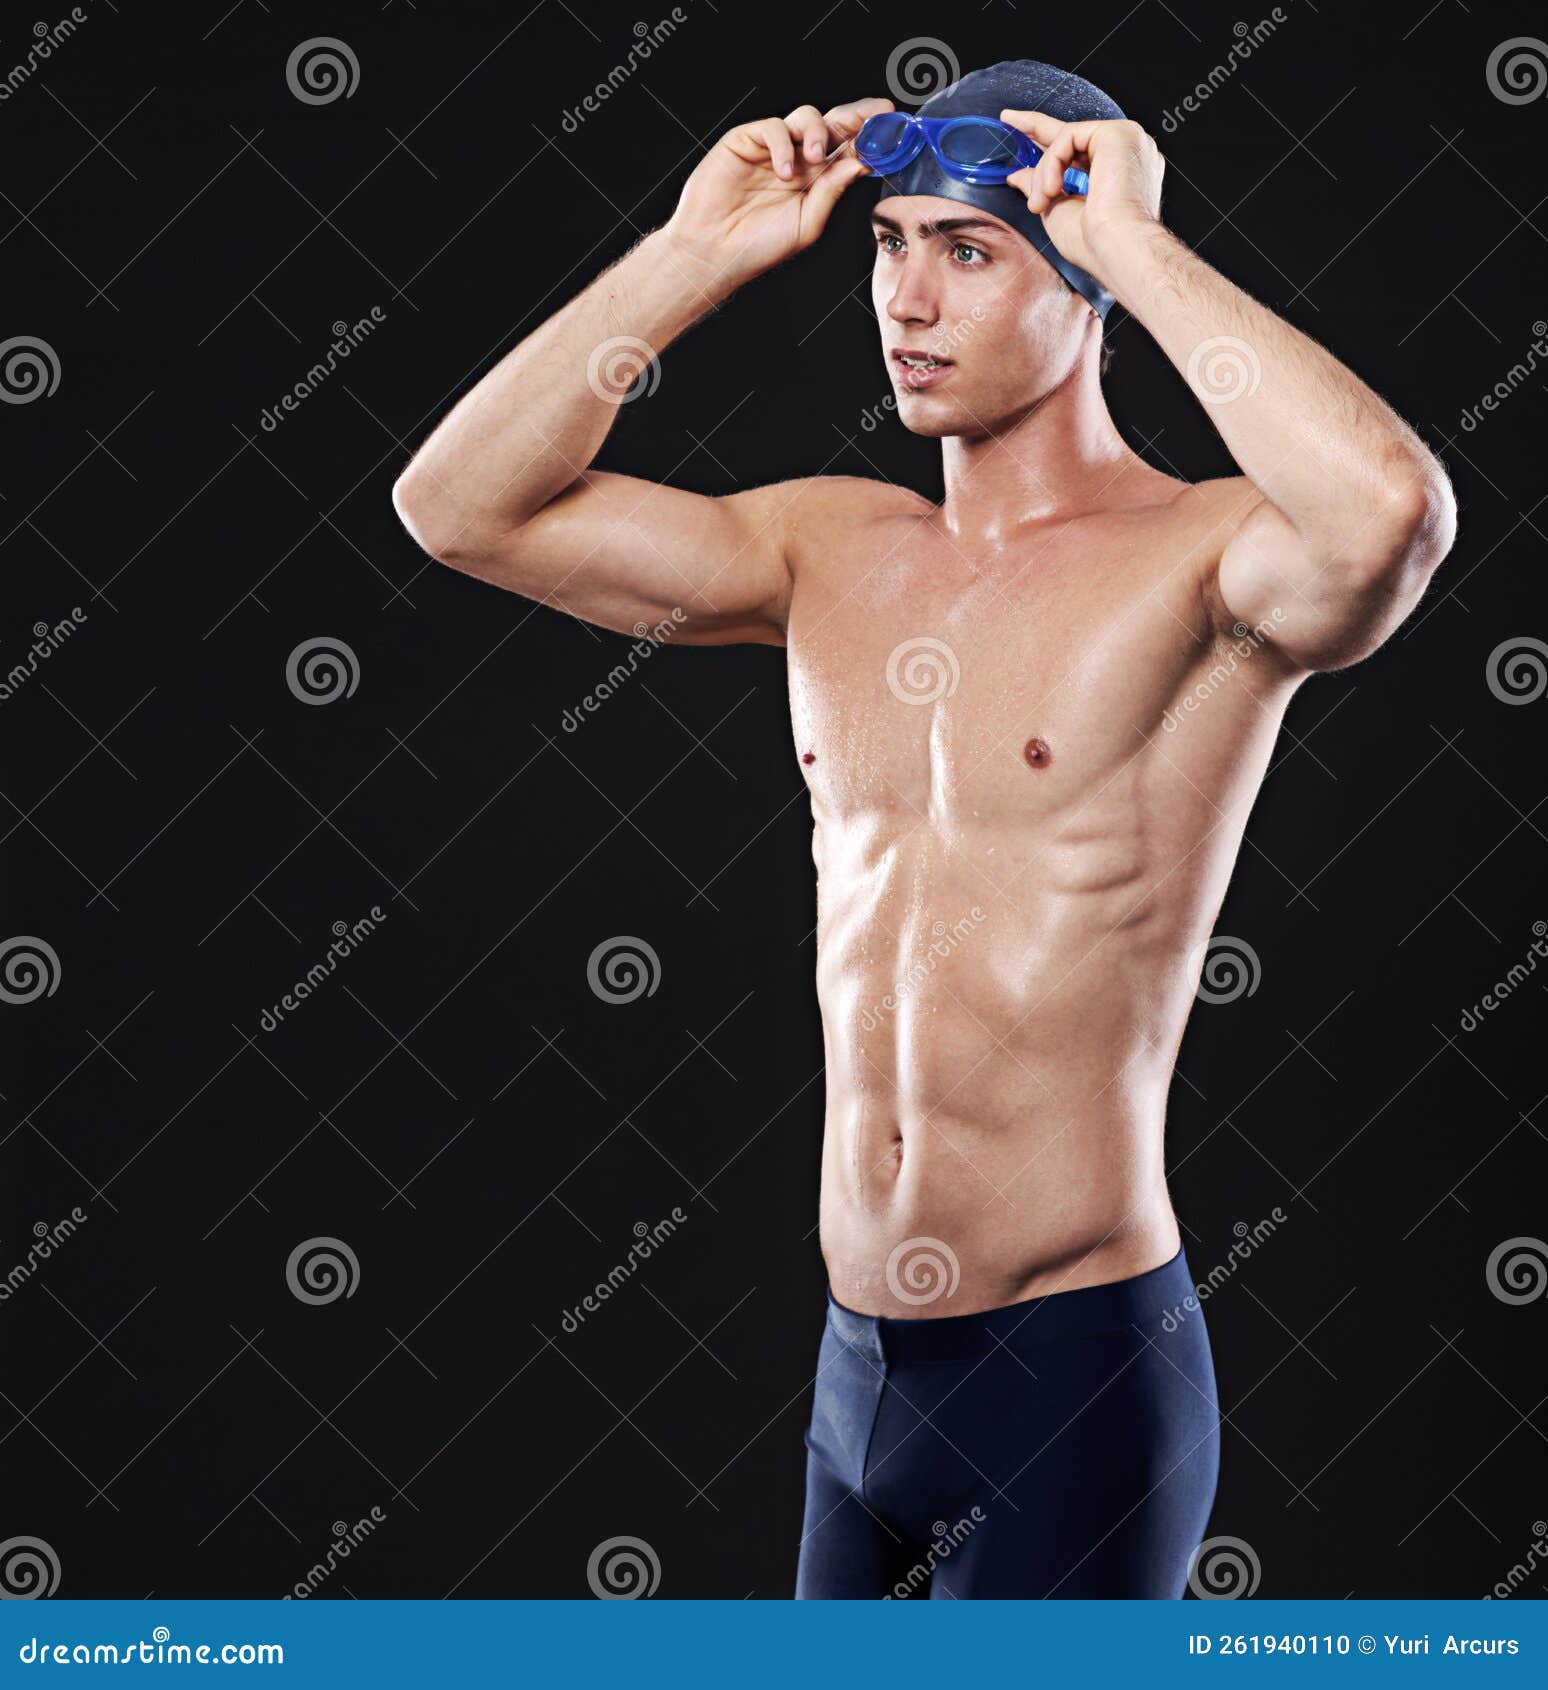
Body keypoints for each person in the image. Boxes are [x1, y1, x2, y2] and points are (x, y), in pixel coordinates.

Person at [391, 59, 1456, 1599]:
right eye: (892, 245)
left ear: (1080, 280)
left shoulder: (1209, 562)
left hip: (1070, 1372)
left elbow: (1393, 516)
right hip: (857, 1373)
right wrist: (697, 254)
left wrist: (1140, 247)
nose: (909, 296)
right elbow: (459, 505)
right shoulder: (826, 546)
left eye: (969, 251)